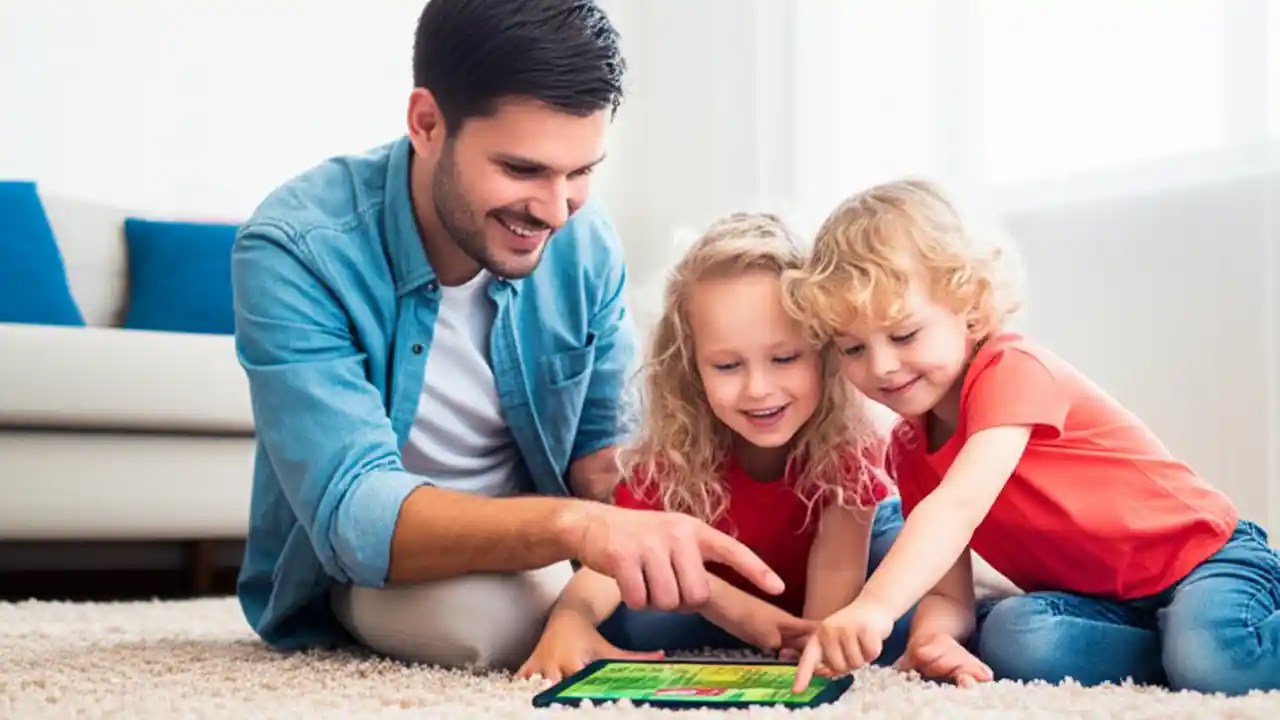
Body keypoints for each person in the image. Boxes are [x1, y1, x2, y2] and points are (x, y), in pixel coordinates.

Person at [230, 0, 784, 671]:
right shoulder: (297, 248)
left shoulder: (585, 242)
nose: (555, 211)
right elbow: (355, 513)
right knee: (486, 624)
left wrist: (716, 570)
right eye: (523, 170)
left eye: (580, 172)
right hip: (383, 566)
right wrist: (580, 530)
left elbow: (603, 463)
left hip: (547, 542)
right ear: (427, 123)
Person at [783, 178, 1280, 695]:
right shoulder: (909, 450)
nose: (882, 366)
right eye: (852, 349)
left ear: (969, 309)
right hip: (1103, 603)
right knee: (1015, 637)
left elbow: (958, 506)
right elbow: (951, 594)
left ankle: (1193, 647)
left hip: (1204, 560)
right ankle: (1175, 647)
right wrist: (934, 638)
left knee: (1220, 664)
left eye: (904, 334)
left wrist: (873, 608)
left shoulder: (1010, 368)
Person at [517, 213, 913, 683]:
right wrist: (569, 621)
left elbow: (821, 624)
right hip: (718, 602)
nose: (759, 389)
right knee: (637, 618)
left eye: (784, 358)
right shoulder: (673, 455)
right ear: (692, 369)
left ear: (824, 354)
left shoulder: (849, 443)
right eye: (727, 366)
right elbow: (612, 563)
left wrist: (816, 644)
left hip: (851, 563)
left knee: (899, 596)